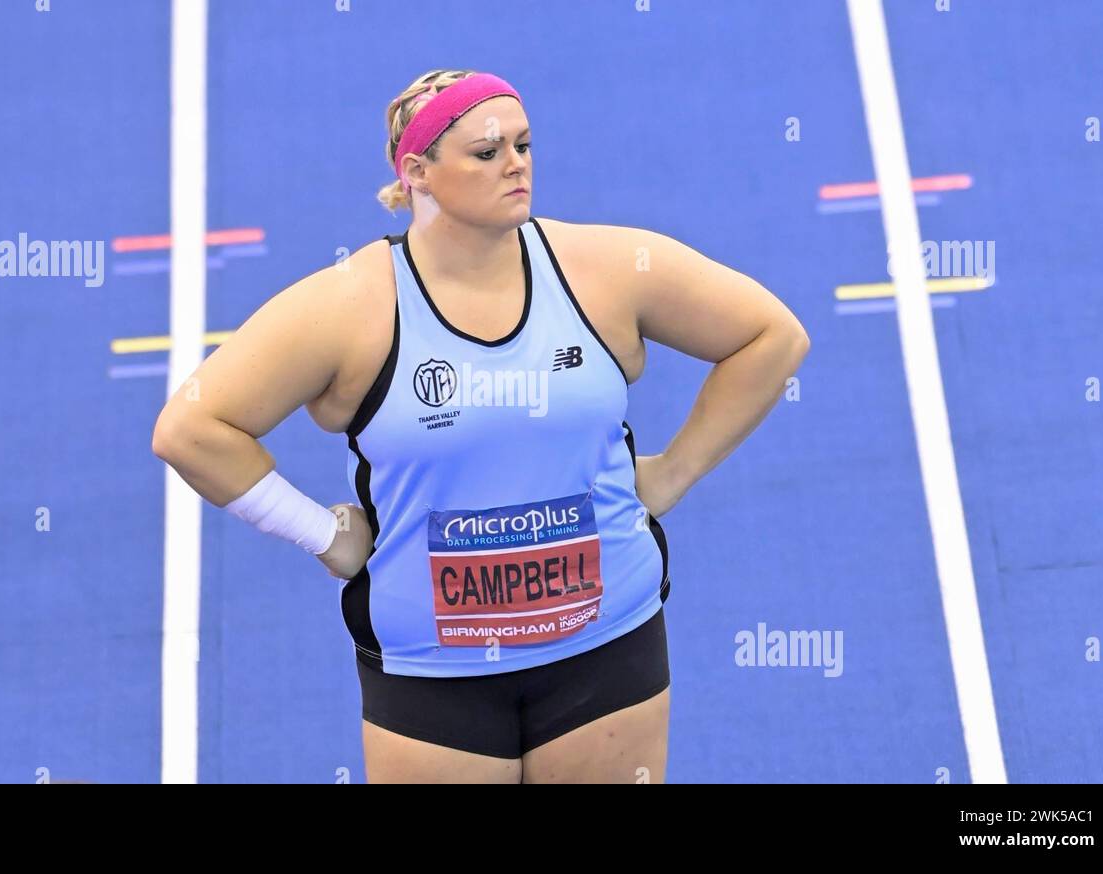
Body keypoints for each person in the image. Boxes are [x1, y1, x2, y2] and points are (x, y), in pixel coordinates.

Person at [152, 69, 810, 784]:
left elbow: (771, 337)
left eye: (524, 145)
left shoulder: (607, 270)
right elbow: (190, 429)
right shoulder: (349, 308)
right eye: (487, 153)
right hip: (432, 671)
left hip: (605, 645)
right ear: (418, 172)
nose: (517, 164)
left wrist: (675, 471)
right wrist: (320, 534)